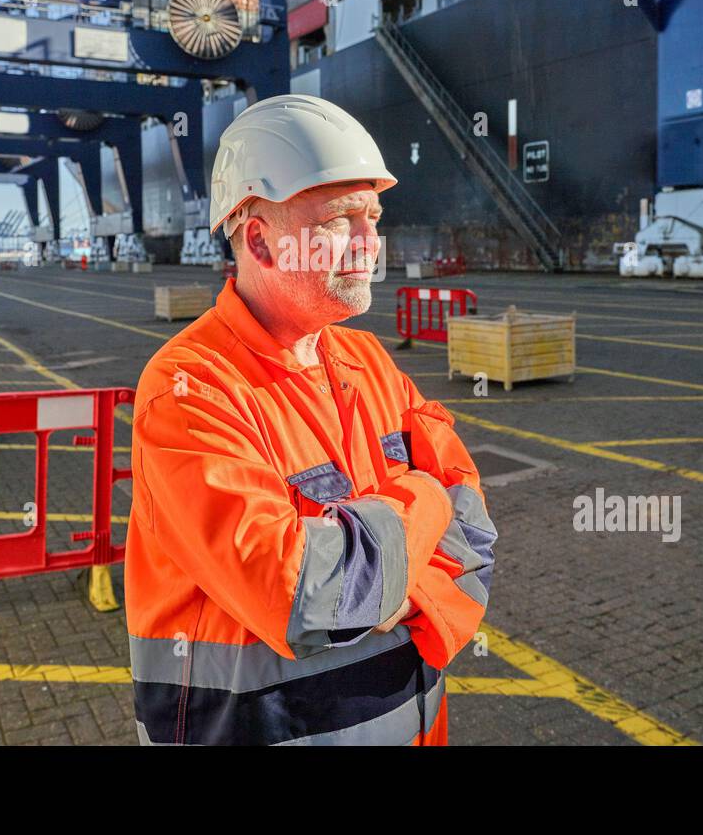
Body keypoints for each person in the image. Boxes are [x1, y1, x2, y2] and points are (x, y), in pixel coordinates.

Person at [125, 93, 496, 745]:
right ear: (262, 243)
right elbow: (305, 597)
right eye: (340, 220)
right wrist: (423, 499)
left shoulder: (371, 361)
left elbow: (477, 543)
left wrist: (377, 575)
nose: (369, 244)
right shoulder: (190, 391)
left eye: (373, 217)